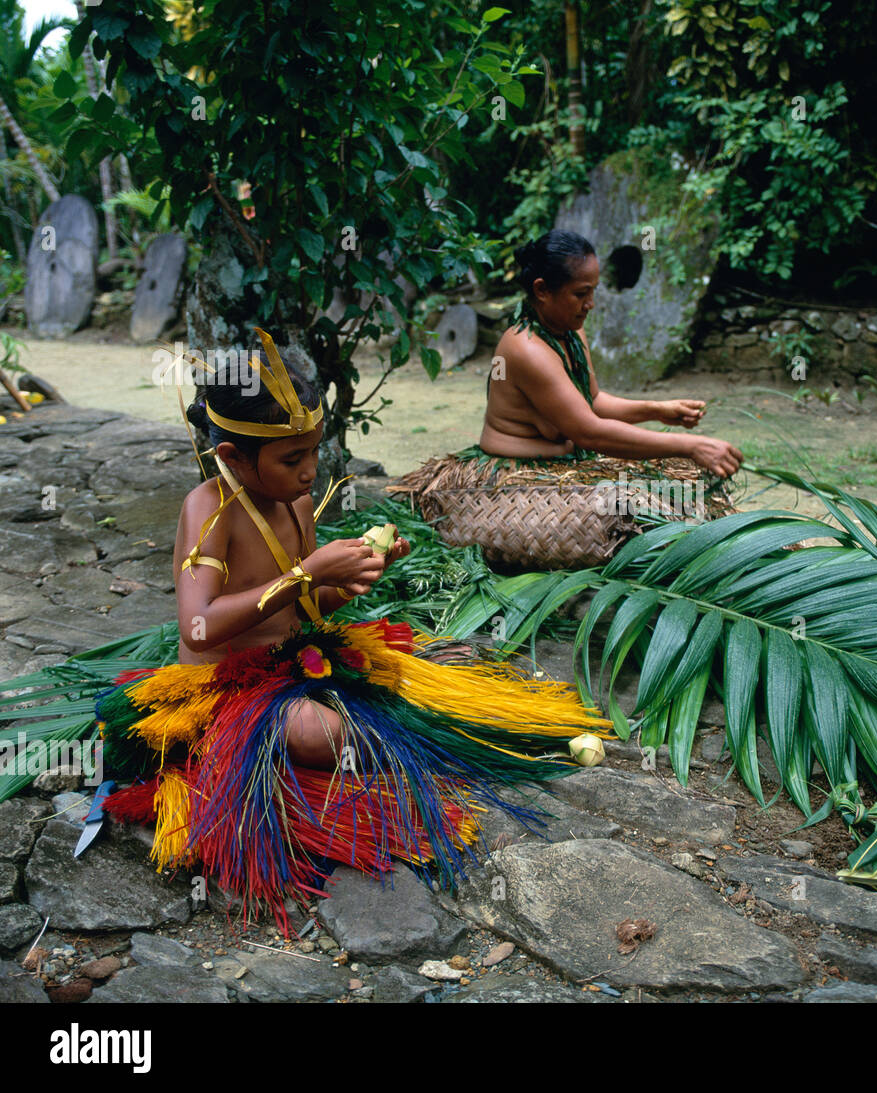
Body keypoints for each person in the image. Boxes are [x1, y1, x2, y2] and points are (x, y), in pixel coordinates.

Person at [94, 329, 612, 932]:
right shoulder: (208, 508)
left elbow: (308, 607)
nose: (311, 469)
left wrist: (348, 578)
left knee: (420, 668)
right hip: (223, 689)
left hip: (295, 661)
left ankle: (424, 735)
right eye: (293, 458)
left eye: (315, 451)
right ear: (233, 456)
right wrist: (309, 571)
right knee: (318, 734)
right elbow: (200, 626)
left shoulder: (289, 501)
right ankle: (392, 750)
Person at [480, 229, 743, 478]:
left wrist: (656, 410)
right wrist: (691, 446)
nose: (590, 304)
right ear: (542, 290)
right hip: (518, 470)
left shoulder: (569, 331)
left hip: (564, 460)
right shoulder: (527, 349)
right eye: (581, 293)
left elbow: (591, 401)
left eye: (593, 291)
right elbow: (590, 433)